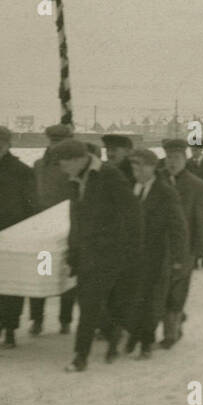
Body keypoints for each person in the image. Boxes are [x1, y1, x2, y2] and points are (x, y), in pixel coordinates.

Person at [55, 139, 140, 371]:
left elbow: (132, 213)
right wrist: (73, 254)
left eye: (63, 164)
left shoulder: (109, 175)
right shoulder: (75, 179)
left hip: (111, 252)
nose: (61, 169)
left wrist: (131, 251)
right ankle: (114, 333)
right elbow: (76, 220)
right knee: (90, 303)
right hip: (87, 253)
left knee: (90, 302)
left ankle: (80, 357)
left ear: (77, 160)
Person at [0, 125, 38, 347]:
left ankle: (10, 329)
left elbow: (32, 206)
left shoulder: (22, 171)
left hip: (13, 237)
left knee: (12, 284)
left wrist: (26, 234)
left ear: (9, 145)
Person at [126, 148, 188, 358]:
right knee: (134, 299)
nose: (137, 171)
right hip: (134, 257)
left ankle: (146, 343)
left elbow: (178, 227)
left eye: (142, 166)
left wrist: (179, 259)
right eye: (134, 166)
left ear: (153, 167)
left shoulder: (165, 191)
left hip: (157, 257)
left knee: (151, 302)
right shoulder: (132, 188)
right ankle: (136, 337)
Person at [162, 138, 203, 345]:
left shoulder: (197, 186)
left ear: (185, 159)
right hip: (160, 246)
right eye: (168, 158)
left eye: (176, 158)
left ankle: (170, 333)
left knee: (177, 290)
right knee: (161, 289)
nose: (172, 162)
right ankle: (175, 318)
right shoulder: (159, 181)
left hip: (186, 247)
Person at [29, 124, 78, 335]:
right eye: (53, 141)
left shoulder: (74, 166)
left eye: (60, 141)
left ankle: (65, 319)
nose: (56, 145)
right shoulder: (39, 165)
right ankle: (37, 319)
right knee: (42, 272)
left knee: (66, 273)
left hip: (67, 226)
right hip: (44, 229)